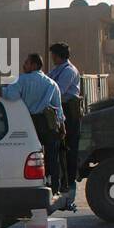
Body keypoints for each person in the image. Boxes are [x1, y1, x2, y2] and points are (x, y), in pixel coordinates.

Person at [0, 54, 64, 191]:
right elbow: (58, 110)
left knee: (31, 155)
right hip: (49, 124)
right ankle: (55, 187)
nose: (24, 65)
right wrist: (62, 128)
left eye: (27, 63)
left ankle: (34, 183)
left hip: (29, 122)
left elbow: (10, 95)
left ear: (34, 65)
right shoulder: (51, 83)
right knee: (52, 156)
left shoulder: (23, 80)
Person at [49, 42, 83, 210]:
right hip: (60, 112)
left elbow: (58, 92)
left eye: (53, 55)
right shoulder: (57, 70)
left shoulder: (68, 71)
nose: (52, 58)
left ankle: (70, 196)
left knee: (69, 153)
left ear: (59, 56)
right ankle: (61, 190)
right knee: (59, 153)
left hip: (70, 113)